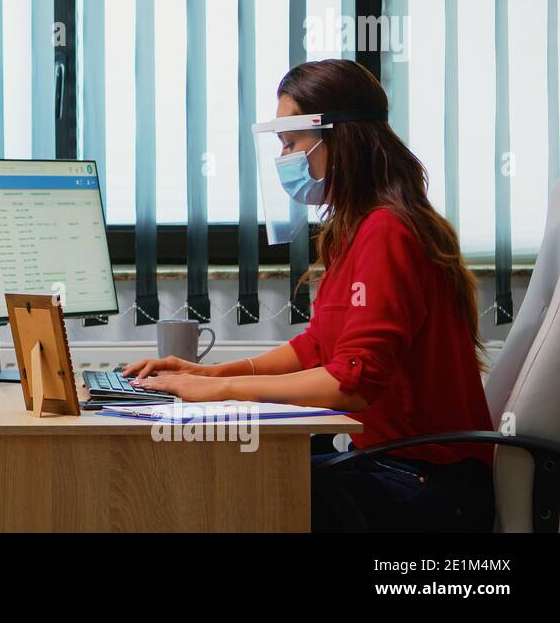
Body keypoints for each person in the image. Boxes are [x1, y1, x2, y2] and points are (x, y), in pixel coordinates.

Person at [120, 59, 495, 532]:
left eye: (292, 143)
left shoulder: (388, 231)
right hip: (394, 466)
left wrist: (221, 390)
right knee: (232, 481)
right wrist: (209, 372)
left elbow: (350, 385)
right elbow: (317, 347)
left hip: (431, 486)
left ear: (339, 138)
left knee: (231, 493)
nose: (285, 158)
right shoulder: (356, 229)